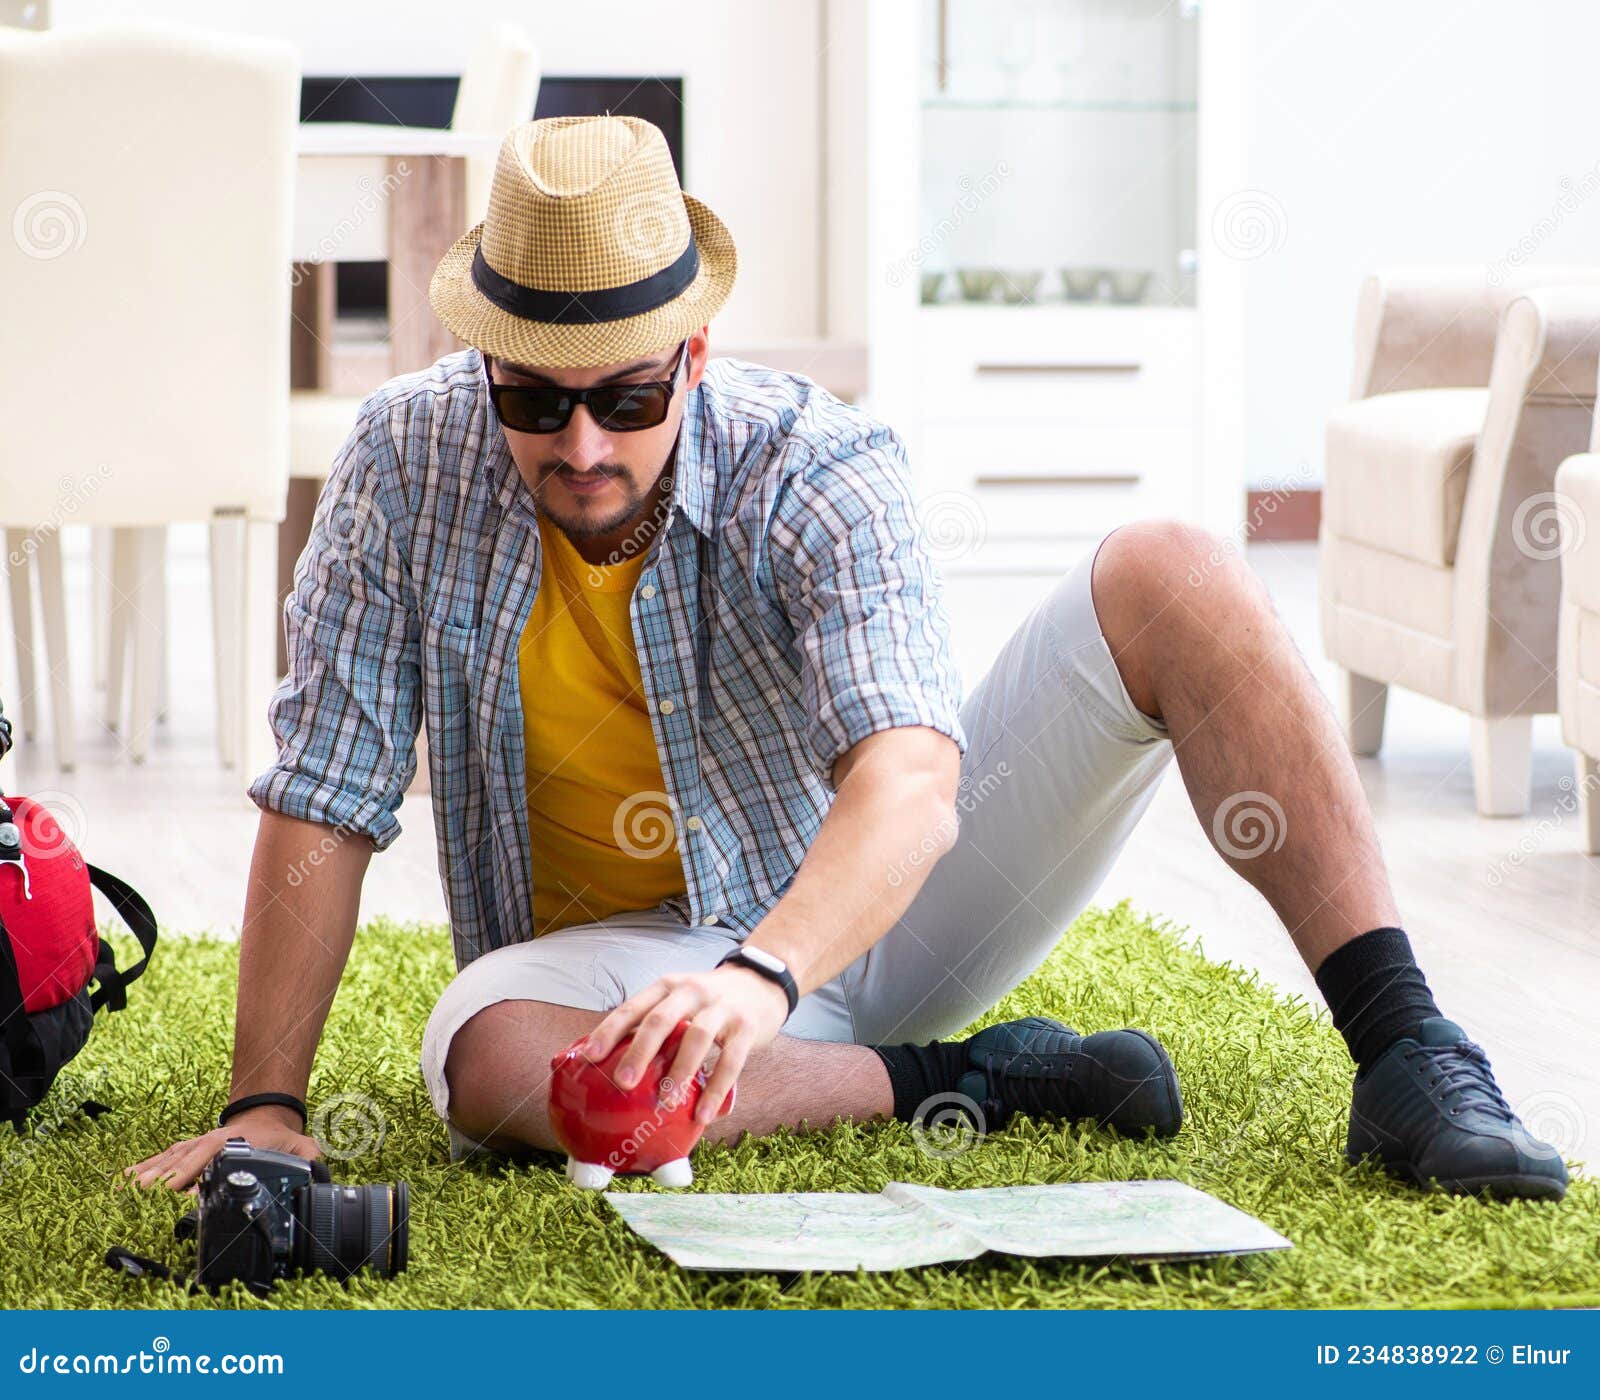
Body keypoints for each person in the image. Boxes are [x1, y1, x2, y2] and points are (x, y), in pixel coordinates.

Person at [128, 115, 1564, 1202]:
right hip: (623, 975)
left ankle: (1410, 1051)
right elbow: (325, 795)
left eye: (626, 397)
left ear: (694, 355)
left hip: (873, 911)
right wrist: (266, 1108)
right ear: (484, 363)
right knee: (484, 1055)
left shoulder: (815, 462)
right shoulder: (404, 462)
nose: (583, 446)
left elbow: (913, 780)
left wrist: (763, 975)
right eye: (535, 401)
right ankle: (967, 1079)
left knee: (1175, 570)